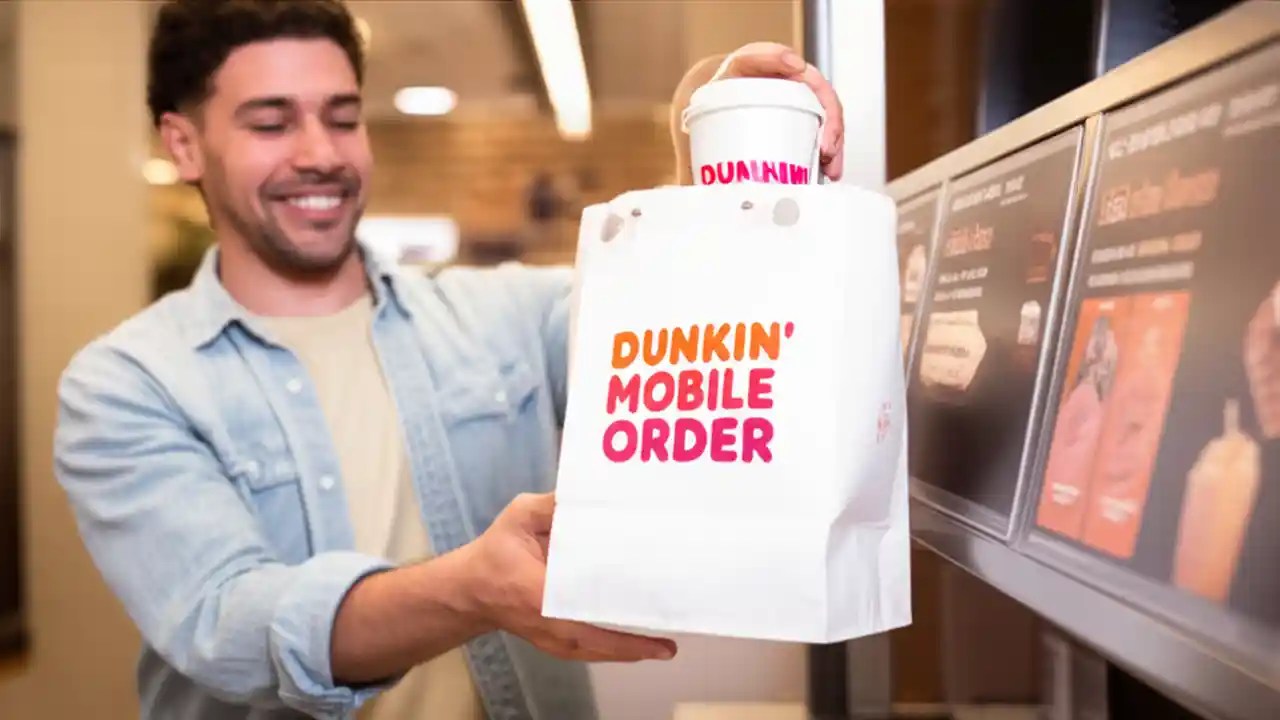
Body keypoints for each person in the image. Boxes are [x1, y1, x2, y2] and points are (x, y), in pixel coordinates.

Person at [52, 1, 846, 719]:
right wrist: (470, 590)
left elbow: (676, 339)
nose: (321, 153)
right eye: (271, 123)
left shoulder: (501, 315)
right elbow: (227, 622)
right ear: (183, 143)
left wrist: (708, 144)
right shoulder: (128, 385)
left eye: (341, 116)